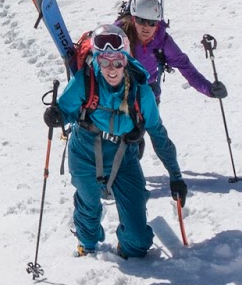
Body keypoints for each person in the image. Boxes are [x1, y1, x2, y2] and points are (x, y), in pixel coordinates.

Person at [44, 23, 187, 258]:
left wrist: (176, 176)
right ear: (97, 60)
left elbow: (158, 134)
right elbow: (66, 111)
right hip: (84, 153)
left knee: (138, 242)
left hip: (124, 158)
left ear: (126, 60)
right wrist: (55, 116)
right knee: (89, 206)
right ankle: (87, 245)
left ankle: (127, 245)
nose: (112, 69)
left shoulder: (141, 92)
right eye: (105, 62)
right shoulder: (84, 82)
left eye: (118, 62)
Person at [118, 0, 227, 103]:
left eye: (152, 23)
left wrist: (210, 89)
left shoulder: (162, 42)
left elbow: (186, 67)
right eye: (141, 20)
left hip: (146, 96)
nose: (146, 27)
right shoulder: (119, 34)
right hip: (117, 93)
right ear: (133, 19)